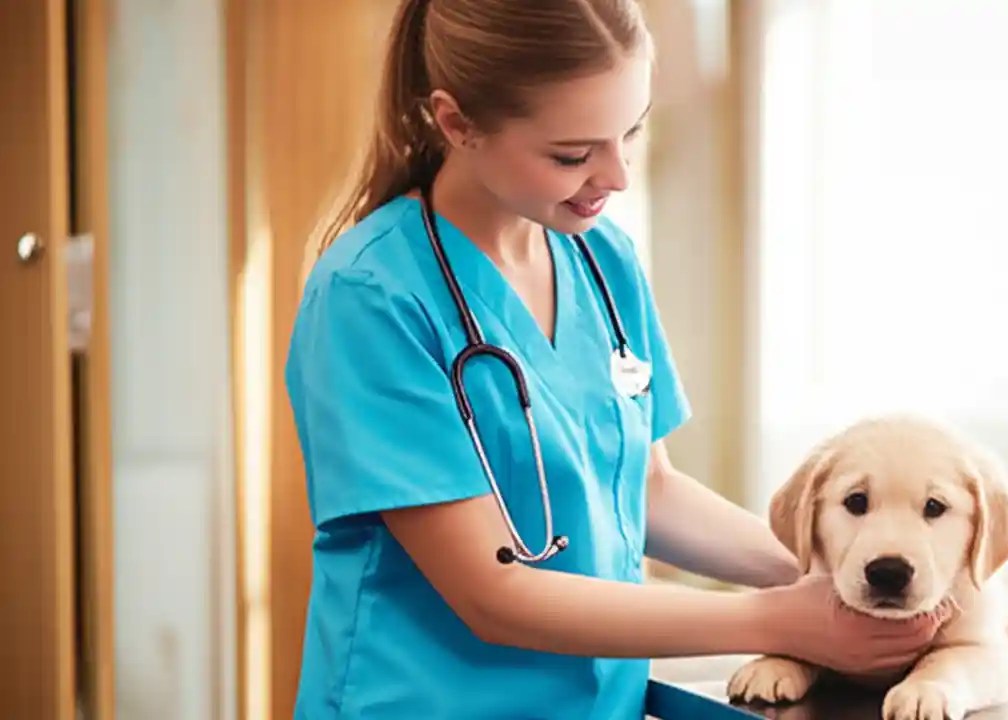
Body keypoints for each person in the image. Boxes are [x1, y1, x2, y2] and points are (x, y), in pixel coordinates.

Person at [284, 0, 950, 717]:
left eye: (630, 131)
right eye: (573, 154)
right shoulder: (373, 296)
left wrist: (842, 567)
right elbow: (491, 593)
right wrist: (778, 618)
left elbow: (647, 489)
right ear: (457, 124)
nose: (618, 175)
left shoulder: (602, 259)